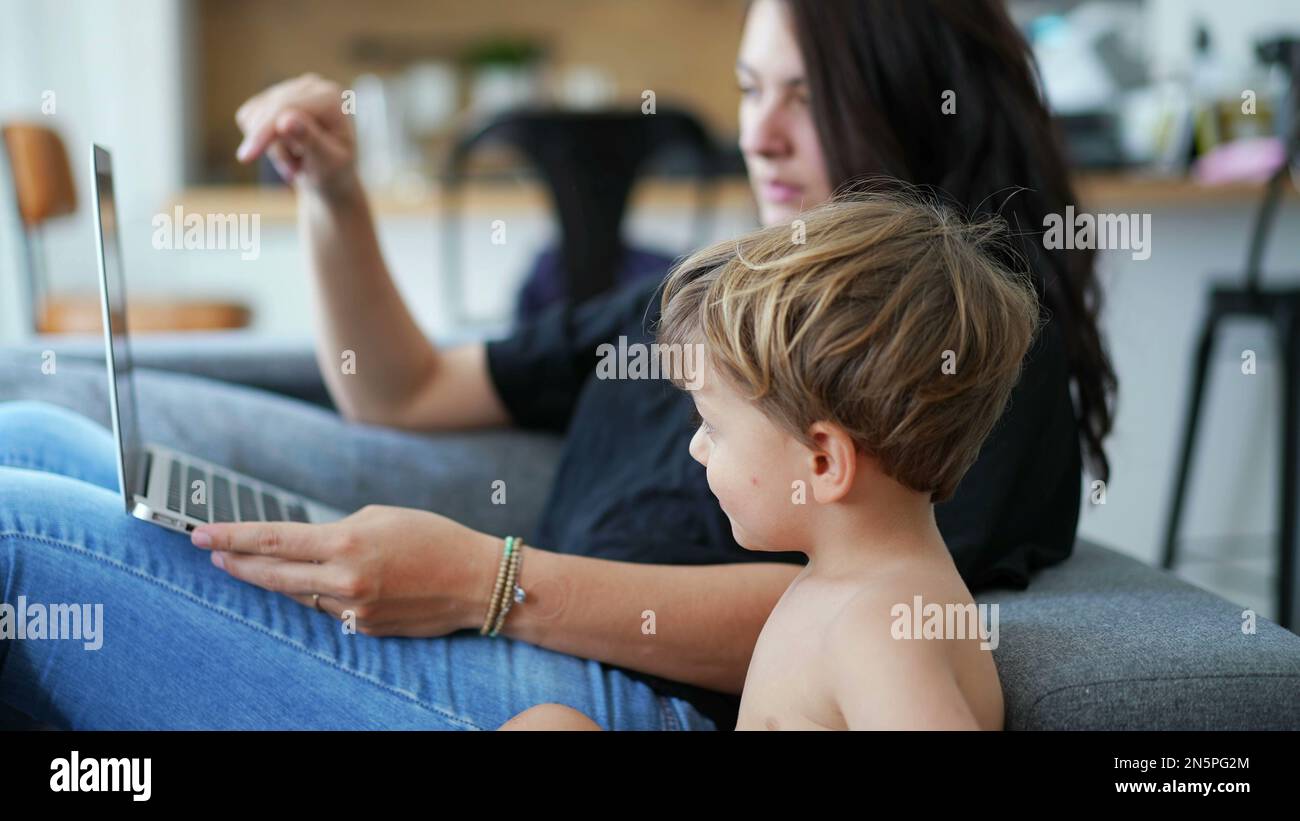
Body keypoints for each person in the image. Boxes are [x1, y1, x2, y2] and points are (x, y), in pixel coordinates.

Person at [0, 0, 1113, 730]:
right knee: (32, 439)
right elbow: (399, 388)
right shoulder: (718, 292)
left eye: (805, 95)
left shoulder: (958, 336)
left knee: (16, 530)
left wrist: (492, 581)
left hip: (583, 667)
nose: (758, 133)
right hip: (530, 659)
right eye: (747, 87)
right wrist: (333, 192)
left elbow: (871, 588)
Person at [504, 195, 1036, 730]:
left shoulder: (881, 629)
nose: (697, 447)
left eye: (713, 426)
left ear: (824, 462)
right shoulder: (844, 588)